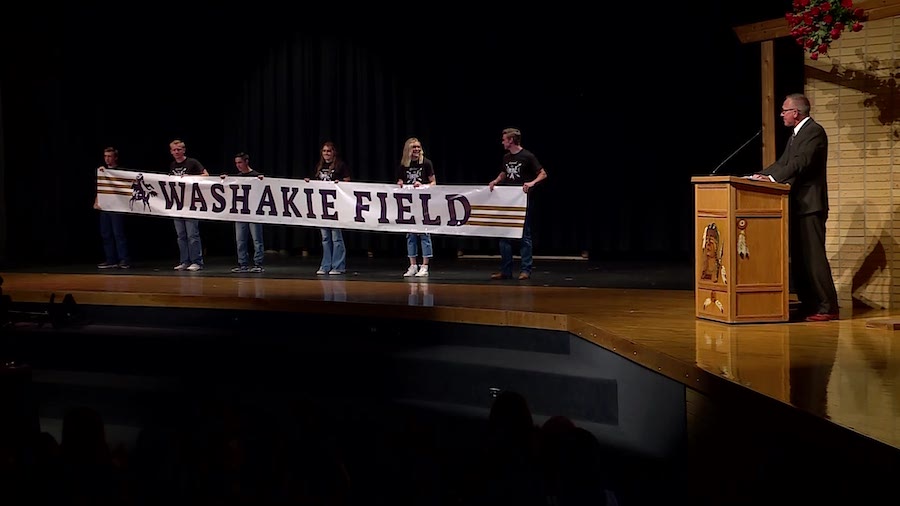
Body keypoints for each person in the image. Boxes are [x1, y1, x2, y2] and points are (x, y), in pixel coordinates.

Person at [751, 93, 839, 321]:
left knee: (813, 256)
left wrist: (771, 180)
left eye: (784, 110)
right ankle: (809, 302)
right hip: (798, 204)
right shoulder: (796, 134)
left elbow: (801, 163)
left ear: (795, 113)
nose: (781, 114)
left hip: (811, 205)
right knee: (799, 258)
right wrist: (759, 175)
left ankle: (827, 306)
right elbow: (783, 163)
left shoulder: (814, 131)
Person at [488, 128, 548, 280]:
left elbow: (543, 173)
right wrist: (496, 181)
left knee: (524, 235)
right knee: (504, 236)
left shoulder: (527, 156)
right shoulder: (506, 157)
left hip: (523, 201)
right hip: (508, 202)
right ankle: (506, 271)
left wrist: (531, 183)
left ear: (511, 140)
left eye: (504, 139)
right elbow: (504, 173)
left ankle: (526, 270)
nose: (502, 142)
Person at [305, 141, 350, 275]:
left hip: (335, 206)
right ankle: (325, 265)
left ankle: (338, 266)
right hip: (322, 206)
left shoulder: (340, 165)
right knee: (325, 237)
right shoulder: (319, 166)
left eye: (329, 151)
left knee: (336, 236)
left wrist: (340, 183)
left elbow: (348, 180)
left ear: (333, 152)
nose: (326, 153)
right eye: (324, 151)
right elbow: (316, 182)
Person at [397, 137, 436, 278]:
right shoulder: (404, 165)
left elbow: (433, 183)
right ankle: (413, 264)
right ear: (408, 149)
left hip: (423, 203)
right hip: (409, 205)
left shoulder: (426, 163)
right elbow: (400, 180)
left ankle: (425, 265)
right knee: (410, 234)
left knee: (424, 234)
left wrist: (423, 186)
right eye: (414, 147)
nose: (417, 150)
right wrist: (401, 184)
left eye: (418, 147)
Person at [168, 139, 208, 271]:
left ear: (184, 150)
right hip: (177, 205)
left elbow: (206, 175)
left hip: (191, 204)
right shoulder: (172, 165)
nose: (176, 152)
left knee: (192, 235)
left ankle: (197, 261)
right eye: (174, 150)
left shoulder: (192, 162)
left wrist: (190, 177)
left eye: (179, 149)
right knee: (181, 235)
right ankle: (185, 260)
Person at [222, 153, 265, 273]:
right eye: (236, 163)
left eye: (240, 162)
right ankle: (243, 264)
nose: (238, 165)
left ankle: (258, 264)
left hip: (254, 213)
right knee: (240, 239)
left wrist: (262, 181)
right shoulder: (238, 177)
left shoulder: (256, 175)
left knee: (257, 239)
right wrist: (224, 180)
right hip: (241, 212)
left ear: (246, 161)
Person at [93, 147, 131, 269]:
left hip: (117, 207)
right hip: (105, 206)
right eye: (105, 156)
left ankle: (124, 259)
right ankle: (111, 260)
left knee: (118, 234)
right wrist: (97, 201)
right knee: (106, 234)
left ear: (115, 157)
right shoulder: (103, 171)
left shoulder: (120, 171)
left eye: (109, 156)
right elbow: (101, 188)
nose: (107, 159)